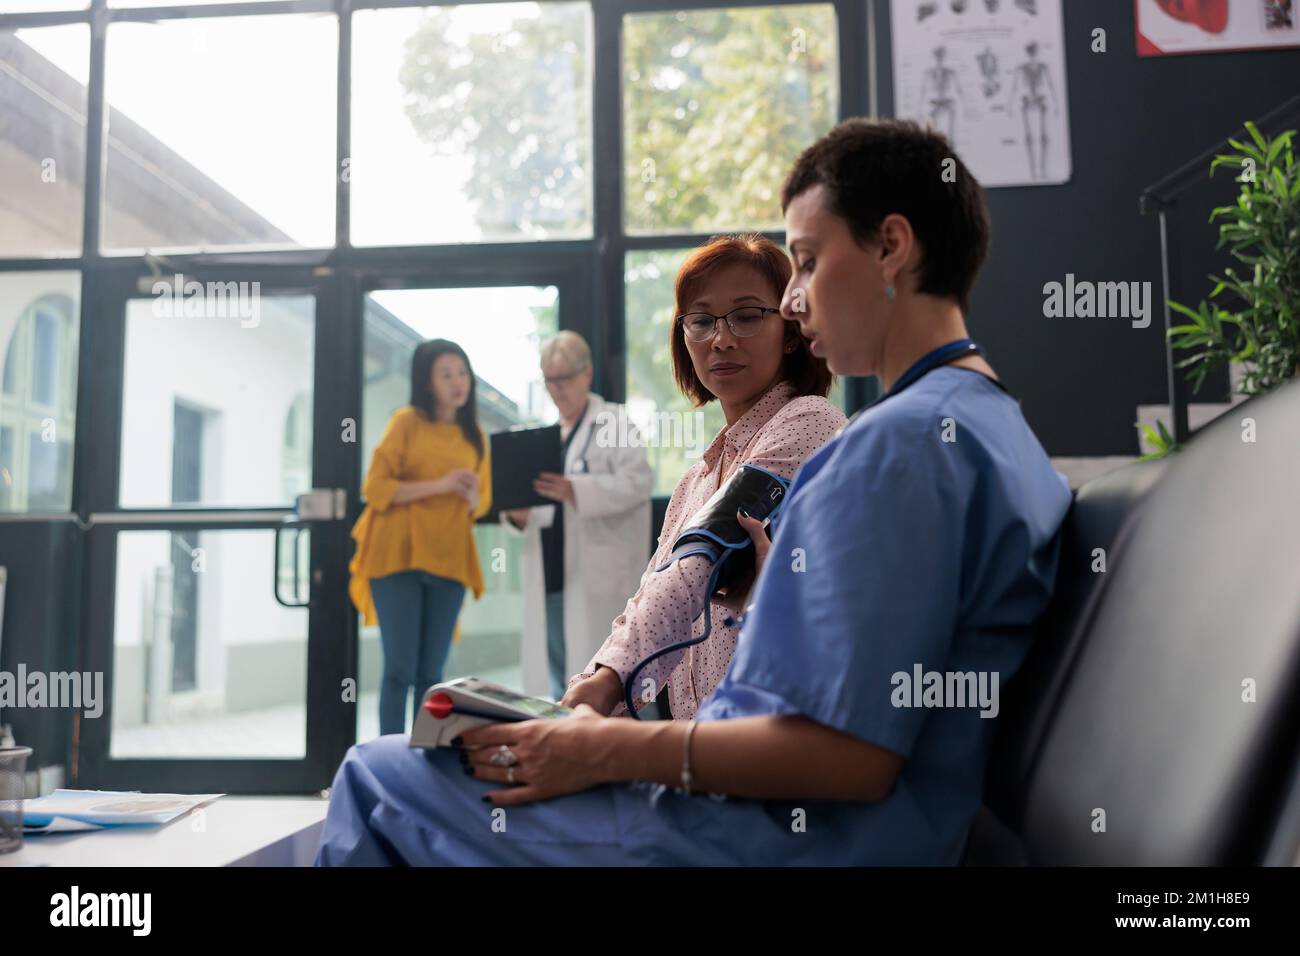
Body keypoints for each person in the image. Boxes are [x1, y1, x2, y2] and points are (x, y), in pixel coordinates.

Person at [316, 118, 1072, 866]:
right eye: (702, 322)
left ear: (891, 247)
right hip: (813, 812)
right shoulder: (993, 430)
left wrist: (606, 748)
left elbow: (851, 758)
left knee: (377, 774)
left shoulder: (892, 444)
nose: (798, 301)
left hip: (776, 833)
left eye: (805, 263)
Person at [562, 234, 844, 720]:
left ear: (792, 331)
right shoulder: (697, 480)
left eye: (747, 314)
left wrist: (607, 685)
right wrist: (584, 694)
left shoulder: (808, 422)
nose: (722, 338)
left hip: (773, 750)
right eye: (701, 320)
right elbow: (650, 597)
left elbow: (695, 568)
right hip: (703, 750)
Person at [348, 339, 492, 736]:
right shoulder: (406, 421)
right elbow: (375, 489)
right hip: (397, 558)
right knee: (399, 669)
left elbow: (481, 504)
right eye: (446, 374)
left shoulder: (475, 436)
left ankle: (422, 767)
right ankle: (390, 763)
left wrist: (469, 497)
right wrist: (441, 484)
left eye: (462, 372)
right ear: (428, 383)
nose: (457, 382)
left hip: (449, 560)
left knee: (432, 674)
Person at [500, 332, 653, 701]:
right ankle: (563, 747)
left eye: (564, 378)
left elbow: (638, 484)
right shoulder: (544, 435)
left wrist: (577, 490)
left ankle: (611, 751)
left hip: (596, 573)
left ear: (586, 374)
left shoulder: (614, 422)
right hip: (551, 575)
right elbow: (541, 508)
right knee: (557, 676)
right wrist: (519, 515)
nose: (556, 389)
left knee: (605, 677)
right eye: (549, 379)